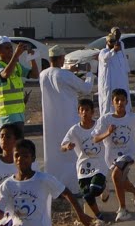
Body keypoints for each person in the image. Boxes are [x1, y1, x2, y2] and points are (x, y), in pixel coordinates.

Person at [38, 45, 95, 188]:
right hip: (69, 118)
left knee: (53, 153)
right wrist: (89, 75)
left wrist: (71, 73)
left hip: (51, 121)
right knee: (72, 152)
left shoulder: (43, 74)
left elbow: (58, 78)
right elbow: (86, 89)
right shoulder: (64, 75)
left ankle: (55, 185)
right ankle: (74, 185)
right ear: (61, 58)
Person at [93, 88, 135, 221]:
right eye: (117, 100)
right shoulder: (106, 119)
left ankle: (123, 209)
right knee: (122, 181)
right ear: (112, 102)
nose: (120, 103)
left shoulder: (132, 117)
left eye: (123, 100)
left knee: (116, 175)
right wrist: (108, 133)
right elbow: (95, 138)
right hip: (111, 158)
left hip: (128, 155)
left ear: (127, 102)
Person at [61, 97, 111, 225]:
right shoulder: (75, 130)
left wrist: (108, 132)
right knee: (87, 195)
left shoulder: (99, 125)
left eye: (87, 110)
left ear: (92, 112)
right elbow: (62, 146)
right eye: (82, 110)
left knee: (95, 189)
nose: (84, 113)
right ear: (78, 112)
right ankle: (99, 215)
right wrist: (67, 146)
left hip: (99, 163)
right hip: (83, 165)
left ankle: (103, 187)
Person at [0, 36, 31, 155]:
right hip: (4, 119)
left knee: (18, 151)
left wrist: (32, 57)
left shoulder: (16, 66)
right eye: (7, 48)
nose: (11, 50)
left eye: (11, 48)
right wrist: (16, 55)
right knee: (4, 153)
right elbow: (4, 75)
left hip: (18, 115)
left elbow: (34, 74)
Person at [96, 28, 131, 115]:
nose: (112, 43)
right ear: (107, 42)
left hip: (121, 82)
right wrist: (113, 50)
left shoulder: (120, 49)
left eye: (113, 41)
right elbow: (105, 58)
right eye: (110, 41)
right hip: (109, 84)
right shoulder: (104, 52)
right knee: (108, 106)